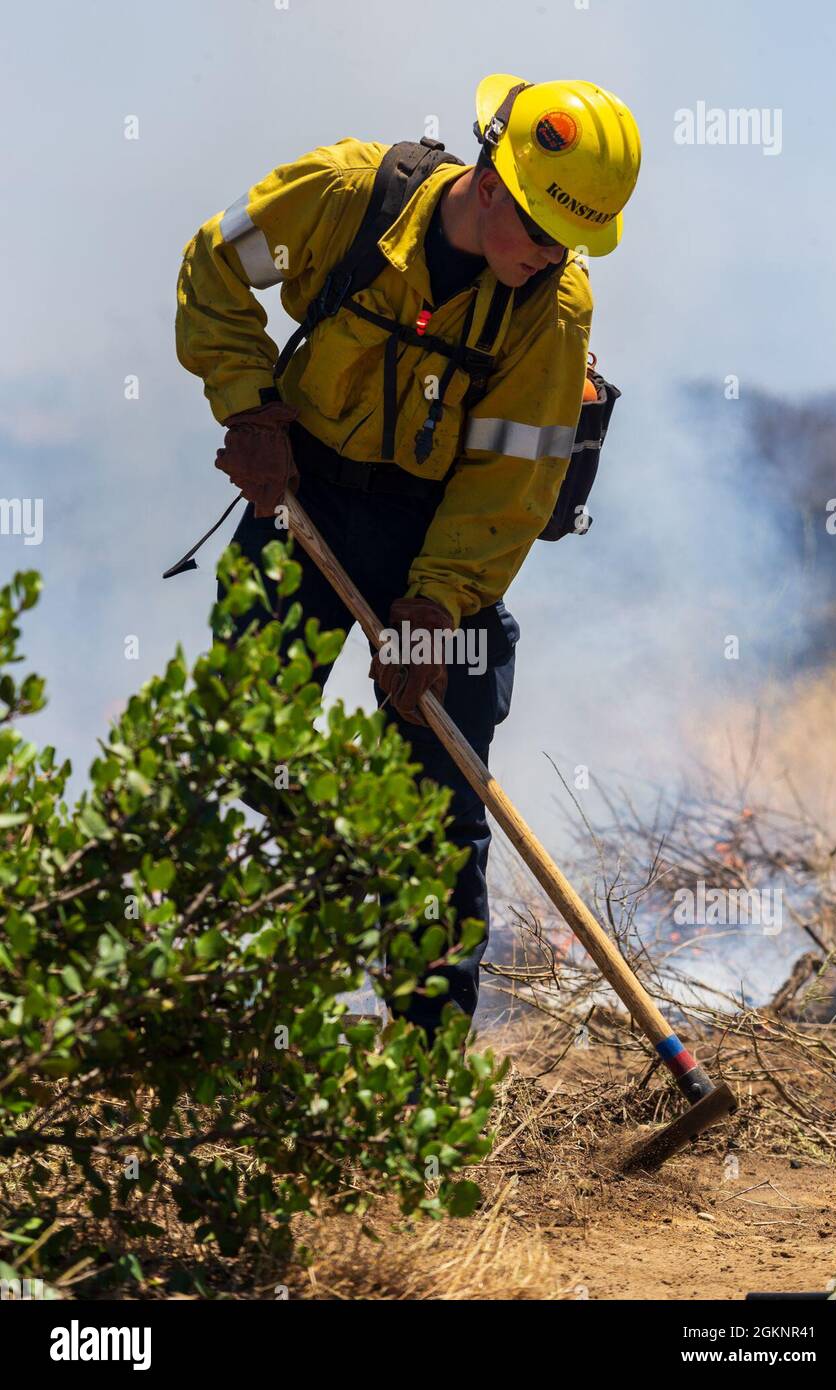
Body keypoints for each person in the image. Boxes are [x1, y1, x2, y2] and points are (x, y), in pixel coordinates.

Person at [175, 73, 641, 1044]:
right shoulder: (344, 195)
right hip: (303, 492)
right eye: (544, 232)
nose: (555, 256)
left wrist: (435, 608)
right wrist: (248, 406)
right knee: (236, 750)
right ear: (489, 183)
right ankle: (193, 1025)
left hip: (441, 539)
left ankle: (422, 1068)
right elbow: (213, 263)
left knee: (440, 809)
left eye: (572, 242)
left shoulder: (551, 308)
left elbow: (510, 482)